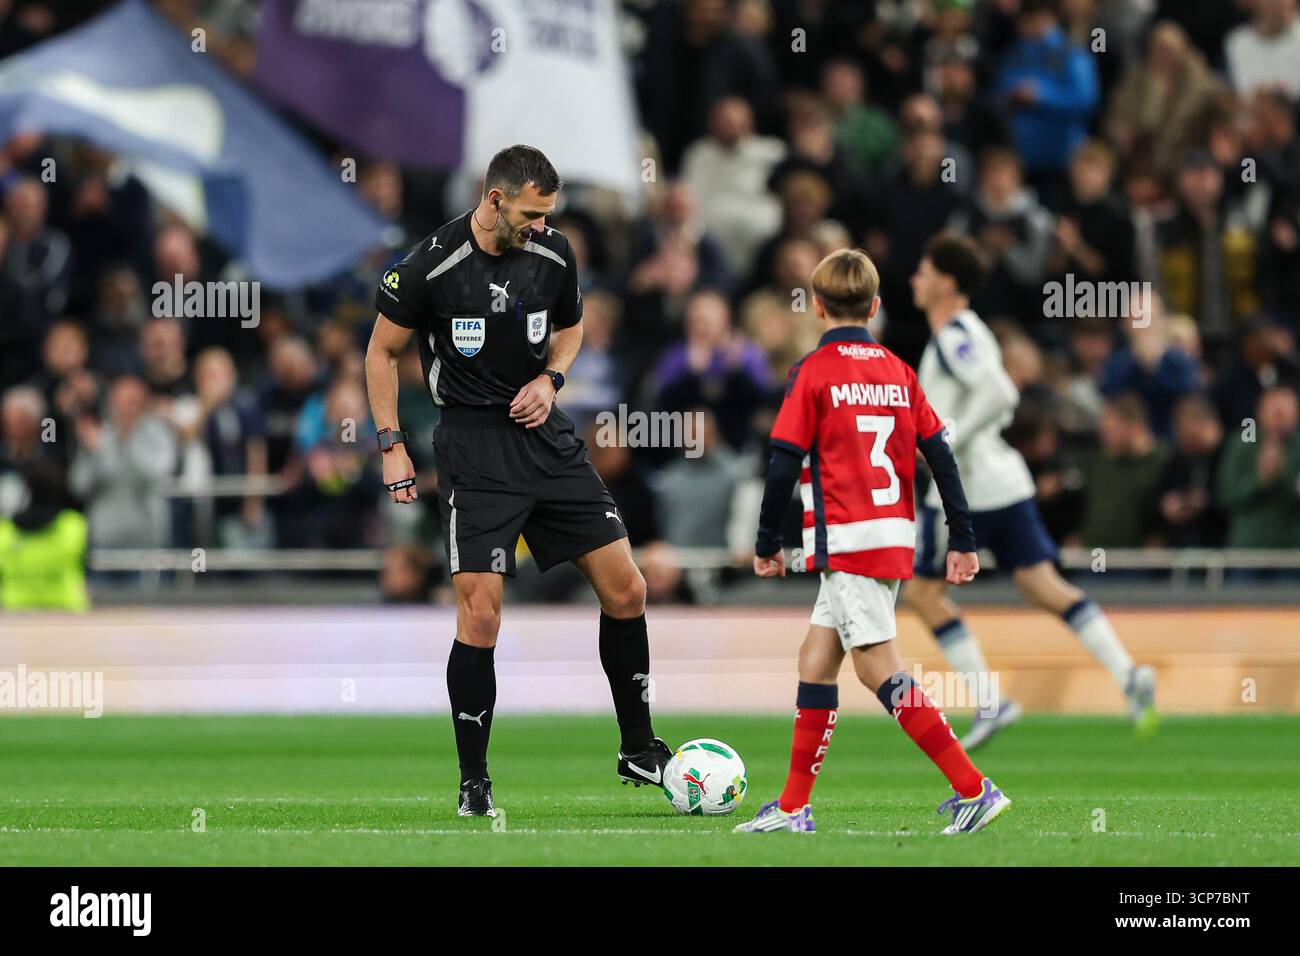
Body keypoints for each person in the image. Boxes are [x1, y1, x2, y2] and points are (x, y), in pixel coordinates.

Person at [365, 145, 670, 818]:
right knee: (481, 615)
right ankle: (474, 783)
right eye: (531, 213)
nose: (541, 225)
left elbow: (572, 327)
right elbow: (382, 352)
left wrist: (550, 378)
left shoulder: (556, 253)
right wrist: (391, 445)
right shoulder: (429, 264)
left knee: (628, 588)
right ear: (493, 197)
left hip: (547, 439)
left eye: (547, 214)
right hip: (473, 447)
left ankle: (638, 747)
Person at [736, 248, 1011, 836]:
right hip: (890, 536)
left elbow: (782, 463)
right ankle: (792, 808)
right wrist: (962, 536)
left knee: (876, 669)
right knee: (816, 660)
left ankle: (973, 787)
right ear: (876, 306)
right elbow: (941, 455)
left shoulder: (812, 372)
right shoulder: (897, 370)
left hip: (847, 540)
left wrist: (765, 541)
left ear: (816, 305)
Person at [904, 234, 1157, 750]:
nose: (915, 279)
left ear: (947, 283)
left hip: (963, 493)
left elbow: (1001, 391)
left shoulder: (954, 336)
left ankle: (990, 702)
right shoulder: (967, 332)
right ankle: (1129, 674)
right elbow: (996, 397)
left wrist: (944, 439)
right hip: (1004, 481)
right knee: (1042, 587)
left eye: (924, 271)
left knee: (924, 593)